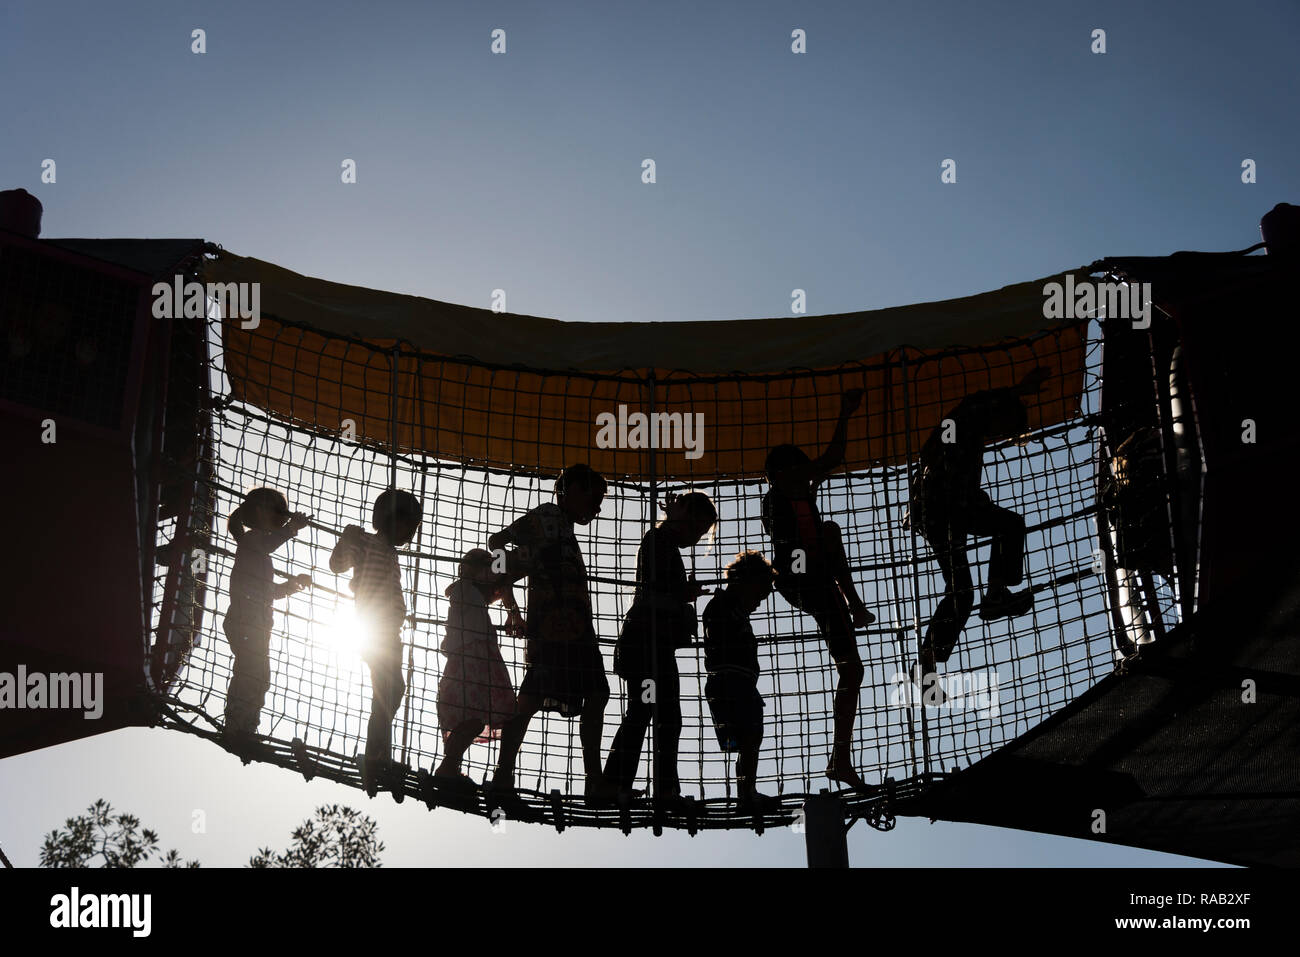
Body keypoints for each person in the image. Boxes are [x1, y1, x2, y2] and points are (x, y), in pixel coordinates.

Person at [906, 367, 1047, 691]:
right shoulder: (964, 426)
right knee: (1008, 527)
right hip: (946, 506)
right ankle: (996, 594)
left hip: (948, 508)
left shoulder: (968, 435)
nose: (1002, 433)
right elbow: (968, 407)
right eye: (1007, 426)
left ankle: (929, 660)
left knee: (962, 591)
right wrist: (1018, 389)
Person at [762, 387, 876, 790]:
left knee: (853, 668)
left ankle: (839, 759)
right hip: (799, 577)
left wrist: (845, 412)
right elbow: (787, 547)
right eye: (797, 472)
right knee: (827, 534)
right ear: (780, 476)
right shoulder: (776, 500)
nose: (805, 477)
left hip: (814, 578)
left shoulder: (799, 492)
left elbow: (831, 459)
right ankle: (839, 760)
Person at [486, 464, 615, 805]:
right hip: (553, 627)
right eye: (595, 497)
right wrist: (509, 599)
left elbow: (515, 555)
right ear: (573, 488)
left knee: (595, 694)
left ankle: (591, 779)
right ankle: (503, 776)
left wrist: (512, 577)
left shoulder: (564, 530)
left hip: (577, 629)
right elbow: (498, 542)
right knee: (533, 698)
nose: (597, 508)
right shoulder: (548, 516)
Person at [604, 491, 717, 805]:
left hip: (648, 644)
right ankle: (654, 789)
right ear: (685, 518)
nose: (696, 538)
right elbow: (654, 591)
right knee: (658, 715)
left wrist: (683, 594)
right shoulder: (658, 541)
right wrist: (683, 594)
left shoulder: (659, 542)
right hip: (647, 644)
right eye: (697, 530)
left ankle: (620, 784)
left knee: (650, 713)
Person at [330, 487, 422, 797]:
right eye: (407, 527)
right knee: (388, 689)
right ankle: (374, 756)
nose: (409, 535)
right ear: (388, 519)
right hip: (373, 628)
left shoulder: (392, 553)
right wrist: (347, 538)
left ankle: (379, 755)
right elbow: (337, 565)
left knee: (392, 690)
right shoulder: (367, 542)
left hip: (388, 632)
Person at [222, 488, 311, 749]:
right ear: (261, 511)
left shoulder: (258, 553)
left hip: (256, 623)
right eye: (279, 513)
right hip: (245, 620)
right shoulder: (251, 542)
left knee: (259, 675)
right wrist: (292, 528)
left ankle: (247, 726)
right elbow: (268, 544)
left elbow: (269, 591)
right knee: (249, 672)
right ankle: (237, 726)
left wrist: (292, 585)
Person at [434, 549, 523, 788]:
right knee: (472, 719)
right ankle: (448, 767)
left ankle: (450, 767)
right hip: (470, 664)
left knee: (476, 718)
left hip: (477, 663)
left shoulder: (468, 596)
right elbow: (504, 572)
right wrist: (513, 611)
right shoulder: (465, 589)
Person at [702, 550, 779, 811]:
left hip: (738, 683)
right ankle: (746, 793)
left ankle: (746, 791)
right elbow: (715, 627)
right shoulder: (722, 605)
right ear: (746, 582)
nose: (759, 603)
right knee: (748, 735)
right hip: (730, 681)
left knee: (750, 738)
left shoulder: (732, 609)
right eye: (759, 594)